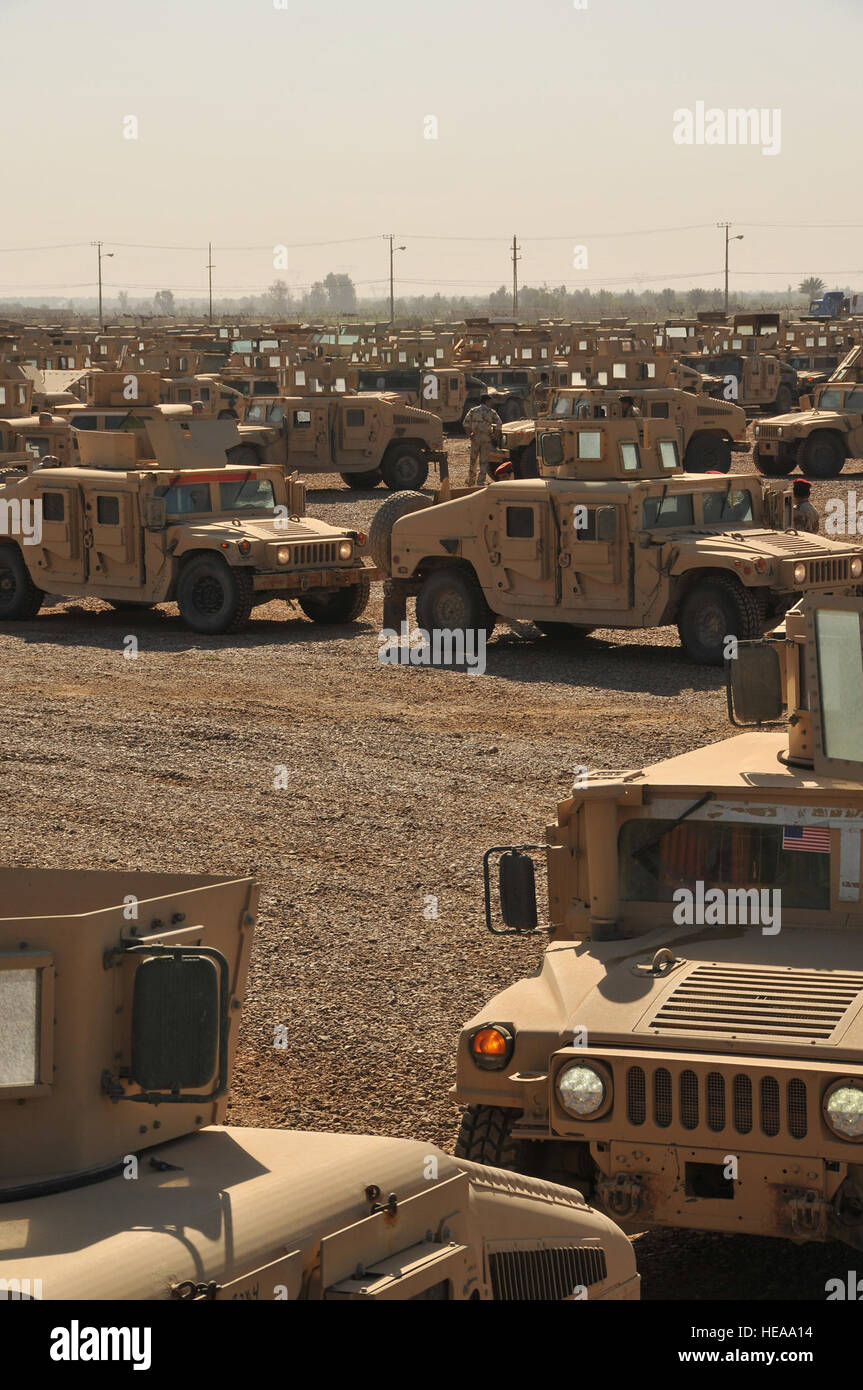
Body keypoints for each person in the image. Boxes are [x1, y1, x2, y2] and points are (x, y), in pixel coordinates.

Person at [463, 401, 502, 487]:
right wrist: (495, 435)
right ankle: (480, 482)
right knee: (484, 461)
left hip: (475, 438)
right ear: (488, 402)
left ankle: (471, 481)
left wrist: (469, 435)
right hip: (486, 439)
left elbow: (465, 423)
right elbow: (499, 423)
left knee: (473, 460)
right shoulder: (492, 412)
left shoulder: (473, 410)